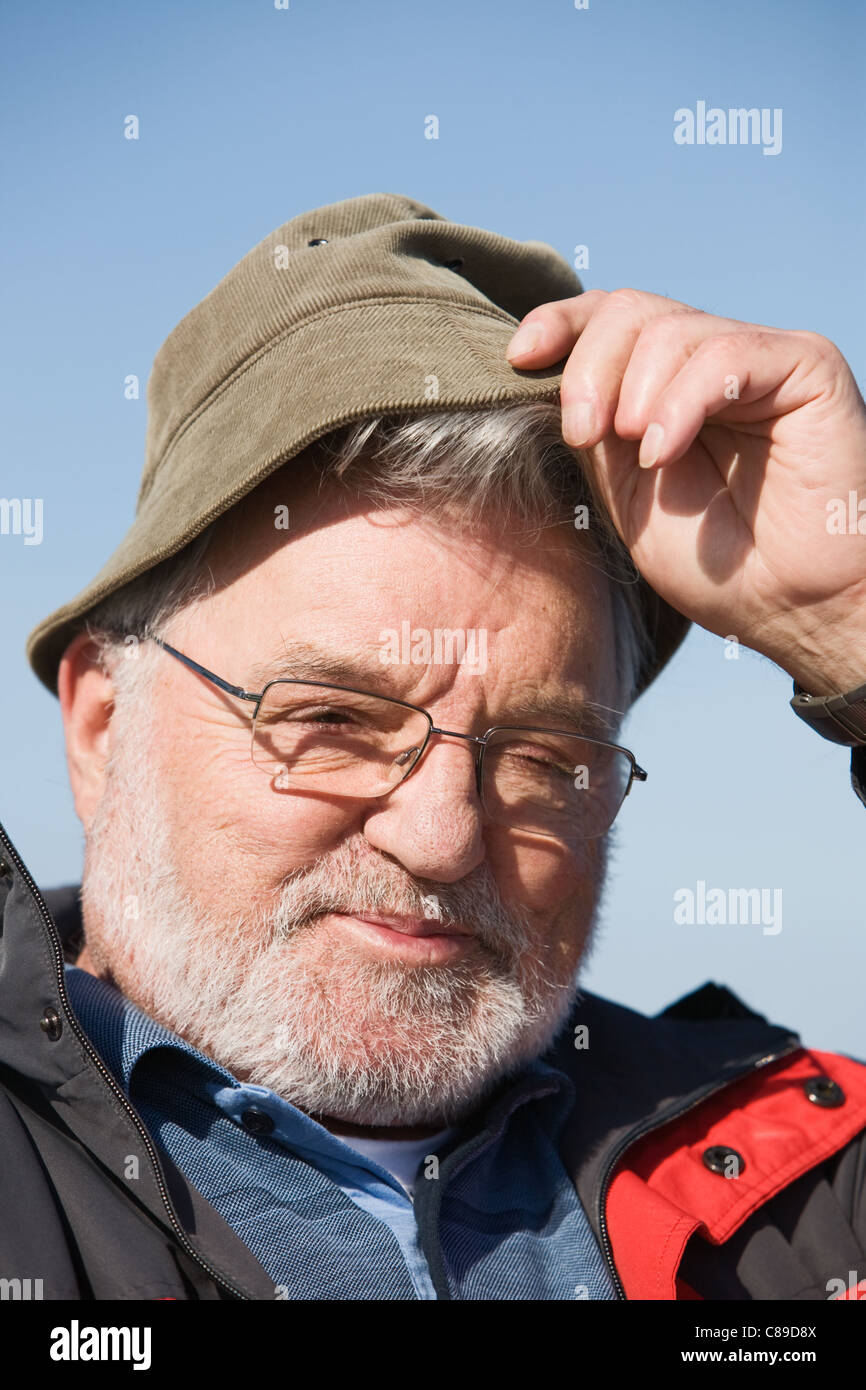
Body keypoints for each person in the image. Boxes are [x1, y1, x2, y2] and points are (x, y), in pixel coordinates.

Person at [2, 193, 865, 1301]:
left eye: (543, 757)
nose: (442, 834)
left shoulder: (804, 1191)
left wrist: (848, 616)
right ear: (101, 724)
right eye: (334, 723)